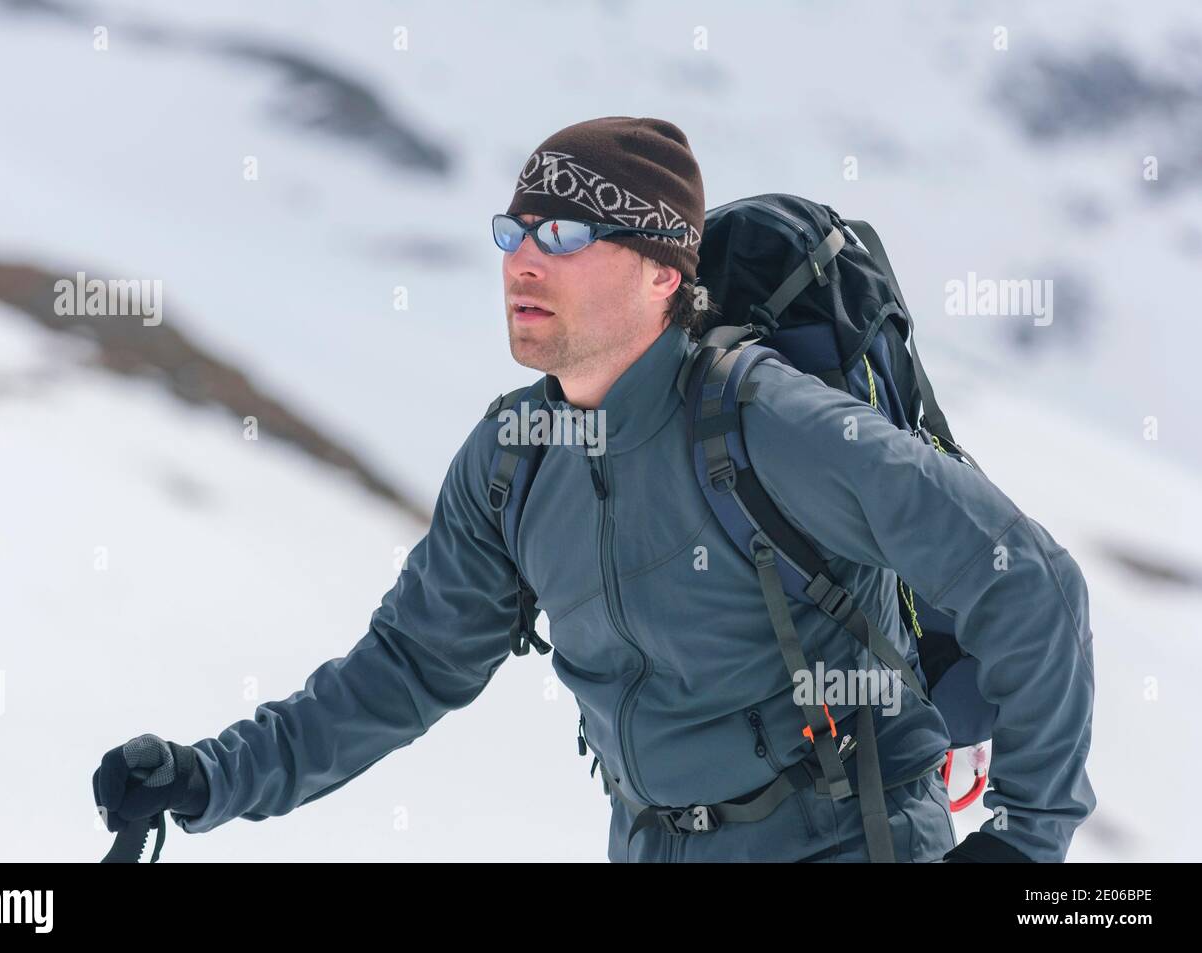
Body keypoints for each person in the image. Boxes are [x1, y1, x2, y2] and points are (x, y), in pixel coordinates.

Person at [94, 116, 1096, 863]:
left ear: (664, 274)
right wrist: (209, 774)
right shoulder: (514, 458)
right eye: (514, 231)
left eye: (565, 237)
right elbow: (402, 667)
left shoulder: (773, 424)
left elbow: (1032, 582)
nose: (523, 260)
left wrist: (1026, 839)